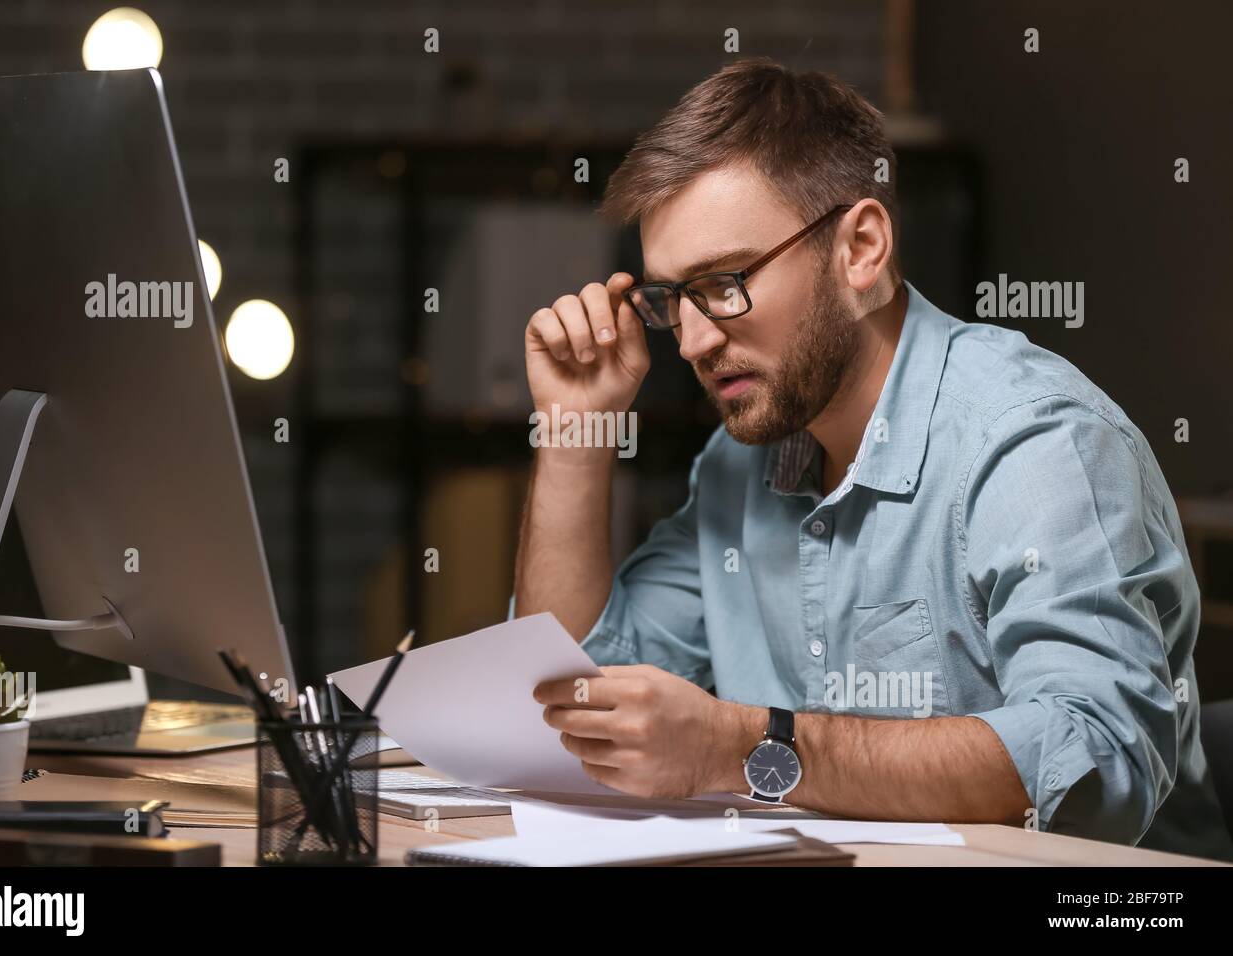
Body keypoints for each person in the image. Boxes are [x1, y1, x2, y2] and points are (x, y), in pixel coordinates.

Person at [512, 57, 1231, 860]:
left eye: (725, 282)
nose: (693, 339)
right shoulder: (736, 465)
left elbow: (1093, 758)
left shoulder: (1035, 442)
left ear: (859, 248)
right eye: (670, 299)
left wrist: (746, 748)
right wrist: (577, 432)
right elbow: (577, 696)